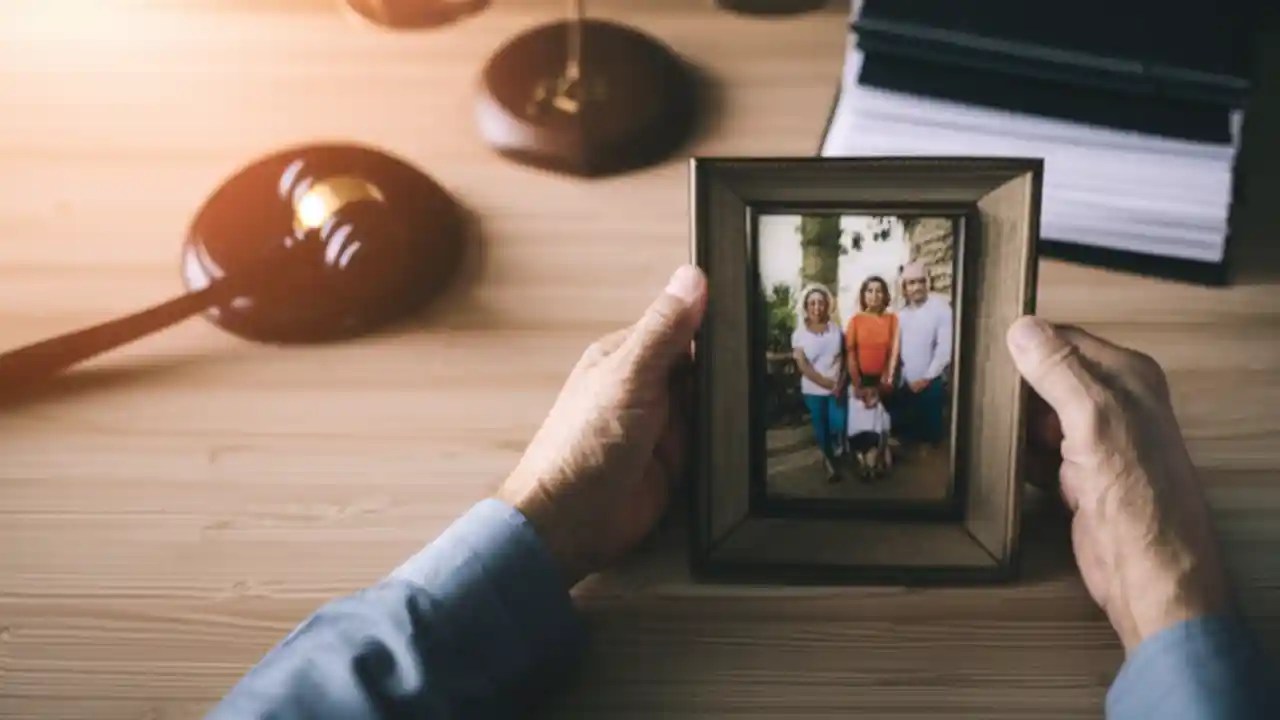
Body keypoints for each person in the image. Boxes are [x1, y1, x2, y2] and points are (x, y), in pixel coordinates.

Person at [206, 266, 1276, 720]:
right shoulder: (830, 323)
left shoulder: (890, 319)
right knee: (834, 430)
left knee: (871, 429)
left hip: (878, 388)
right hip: (832, 392)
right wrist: (1178, 614)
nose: (867, 294)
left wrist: (535, 530)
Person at [889, 261, 952, 452]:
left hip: (932, 382)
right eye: (911, 283)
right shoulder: (900, 314)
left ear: (927, 283)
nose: (916, 287)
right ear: (904, 287)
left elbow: (945, 348)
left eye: (920, 282)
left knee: (931, 440)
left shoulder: (941, 309)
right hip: (906, 384)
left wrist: (926, 378)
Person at [844, 275, 899, 481]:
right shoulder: (855, 321)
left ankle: (877, 459)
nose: (874, 295)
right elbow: (851, 354)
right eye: (869, 291)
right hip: (860, 379)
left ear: (885, 295)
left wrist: (884, 382)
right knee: (861, 423)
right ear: (863, 295)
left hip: (883, 380)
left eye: (879, 291)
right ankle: (864, 461)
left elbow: (893, 351)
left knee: (880, 422)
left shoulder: (892, 320)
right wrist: (858, 384)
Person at [790, 284, 847, 482]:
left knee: (838, 424)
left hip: (837, 388)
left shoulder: (836, 330)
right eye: (812, 303)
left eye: (821, 303)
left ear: (827, 305)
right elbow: (803, 366)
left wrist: (838, 384)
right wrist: (827, 384)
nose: (817, 307)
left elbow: (843, 359)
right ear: (806, 306)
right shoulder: (799, 334)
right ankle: (829, 462)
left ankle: (834, 451)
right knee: (821, 426)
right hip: (814, 390)